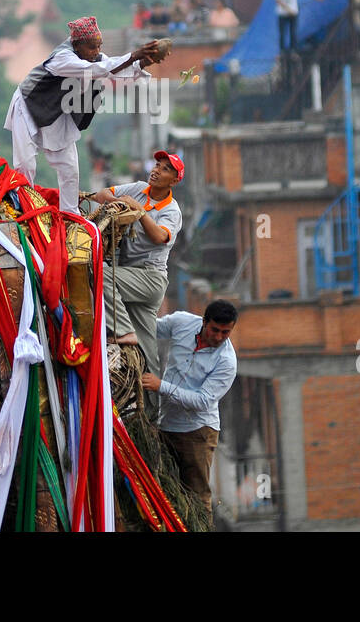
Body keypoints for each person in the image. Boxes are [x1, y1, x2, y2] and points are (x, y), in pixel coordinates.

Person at [6, 17, 163, 213]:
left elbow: (114, 70)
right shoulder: (62, 58)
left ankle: (71, 215)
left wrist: (141, 63)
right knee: (25, 163)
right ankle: (23, 209)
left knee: (69, 167)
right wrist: (133, 56)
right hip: (29, 105)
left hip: (56, 110)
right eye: (92, 47)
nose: (97, 52)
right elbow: (97, 70)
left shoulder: (94, 57)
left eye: (99, 46)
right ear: (76, 44)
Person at [140, 299, 239, 529]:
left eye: (226, 332)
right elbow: (149, 327)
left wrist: (160, 386)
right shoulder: (182, 322)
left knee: (197, 494)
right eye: (215, 330)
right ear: (204, 322)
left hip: (198, 431)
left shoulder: (226, 361)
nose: (219, 337)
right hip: (165, 423)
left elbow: (202, 401)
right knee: (163, 484)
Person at [89, 152, 184, 383]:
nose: (156, 170)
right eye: (157, 165)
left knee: (100, 275)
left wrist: (139, 213)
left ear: (174, 180)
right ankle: (151, 414)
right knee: (148, 350)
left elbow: (160, 236)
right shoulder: (138, 188)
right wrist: (122, 203)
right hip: (129, 278)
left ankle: (122, 331)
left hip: (149, 279)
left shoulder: (171, 210)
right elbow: (102, 195)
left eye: (164, 169)